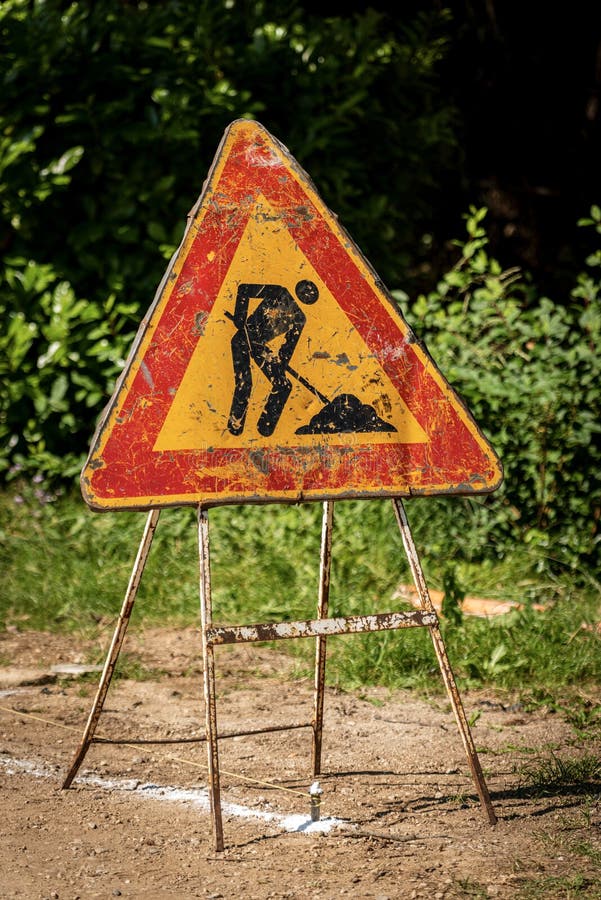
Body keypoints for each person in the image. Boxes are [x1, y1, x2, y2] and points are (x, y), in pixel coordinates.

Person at [227, 280, 319, 436]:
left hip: (260, 347)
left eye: (310, 294)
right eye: (305, 289)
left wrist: (280, 365)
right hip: (244, 338)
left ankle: (265, 427)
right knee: (245, 383)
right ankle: (235, 425)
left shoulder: (300, 318)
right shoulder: (279, 291)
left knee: (283, 385)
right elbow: (244, 289)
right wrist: (240, 317)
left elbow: (287, 349)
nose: (306, 294)